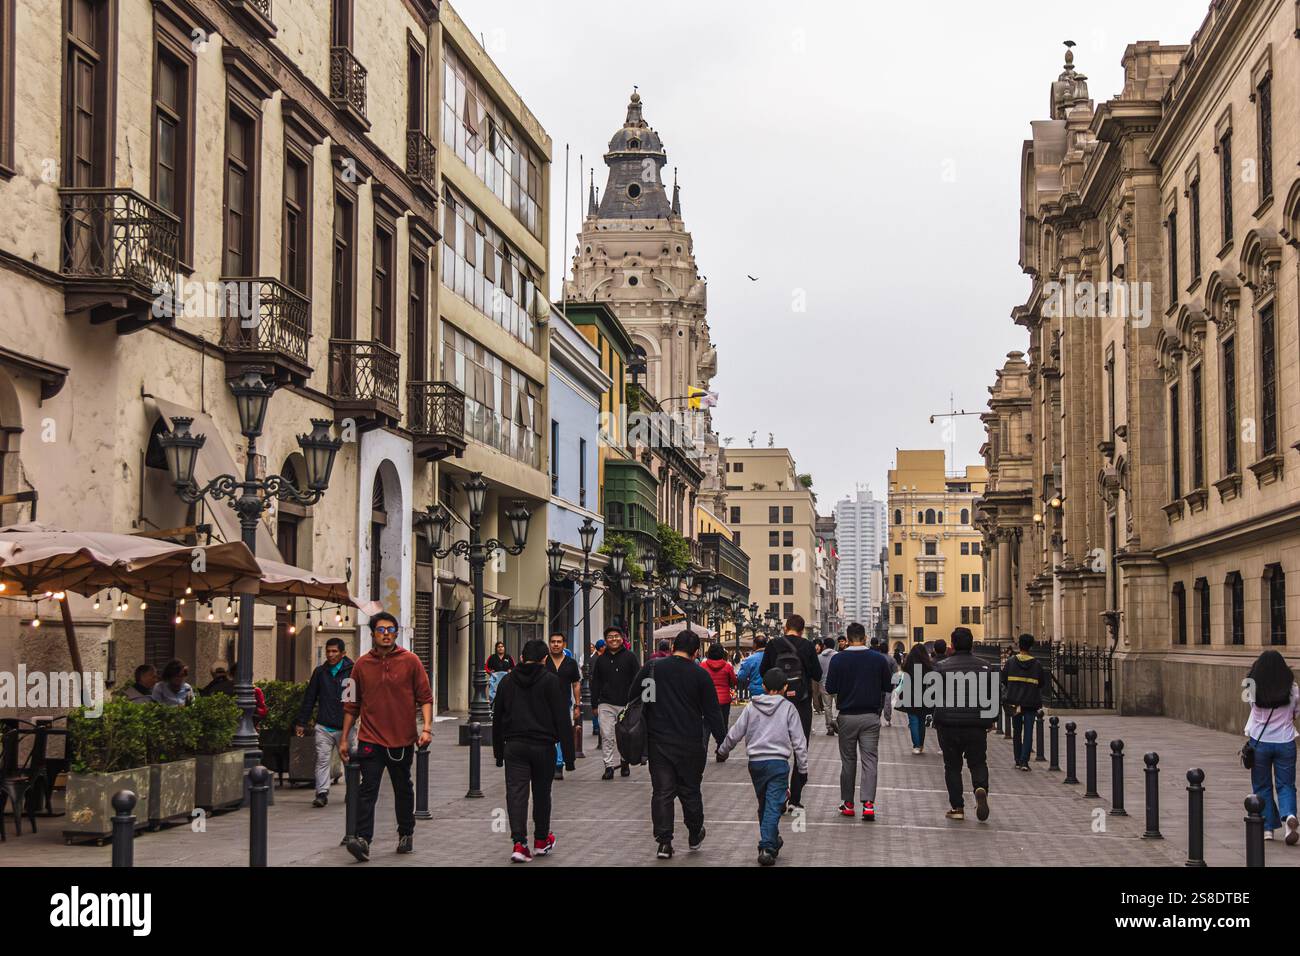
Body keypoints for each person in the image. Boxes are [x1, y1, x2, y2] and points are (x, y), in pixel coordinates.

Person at [340, 612, 433, 862]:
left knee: (403, 788)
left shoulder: (411, 661)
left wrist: (426, 728)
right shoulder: (360, 665)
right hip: (370, 738)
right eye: (381, 630)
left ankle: (406, 833)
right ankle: (363, 839)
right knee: (367, 789)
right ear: (372, 634)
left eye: (391, 630)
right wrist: (344, 738)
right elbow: (350, 704)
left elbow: (425, 697)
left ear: (396, 633)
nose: (386, 634)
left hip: (402, 739)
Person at [631, 629, 726, 859]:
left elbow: (639, 698)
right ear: (696, 652)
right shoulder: (700, 675)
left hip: (659, 741)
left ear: (673, 646)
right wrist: (723, 741)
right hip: (690, 743)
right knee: (690, 790)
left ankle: (664, 842)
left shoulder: (653, 669)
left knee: (662, 792)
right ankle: (694, 833)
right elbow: (713, 712)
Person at [493, 638, 575, 862]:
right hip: (543, 746)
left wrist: (499, 753)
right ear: (544, 659)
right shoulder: (551, 682)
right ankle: (541, 839)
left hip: (515, 746)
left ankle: (519, 844)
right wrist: (569, 757)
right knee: (541, 793)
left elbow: (497, 719)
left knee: (516, 794)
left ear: (520, 658)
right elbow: (562, 719)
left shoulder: (507, 682)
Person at [716, 667, 809, 866]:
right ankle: (767, 846)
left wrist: (722, 751)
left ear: (764, 686)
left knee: (766, 805)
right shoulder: (788, 708)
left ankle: (773, 839)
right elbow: (799, 742)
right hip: (778, 763)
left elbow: (735, 732)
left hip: (756, 764)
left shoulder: (751, 707)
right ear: (785, 687)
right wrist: (802, 768)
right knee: (773, 805)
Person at [824, 622, 894, 821]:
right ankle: (869, 804)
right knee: (870, 760)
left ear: (847, 638)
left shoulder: (838, 659)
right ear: (864, 638)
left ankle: (848, 803)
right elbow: (887, 686)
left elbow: (829, 688)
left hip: (846, 716)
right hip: (870, 717)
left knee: (848, 762)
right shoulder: (877, 659)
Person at [759, 614, 822, 812]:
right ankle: (795, 798)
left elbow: (764, 671)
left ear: (786, 627)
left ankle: (779, 795)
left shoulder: (773, 645)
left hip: (776, 703)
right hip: (801, 704)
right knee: (799, 748)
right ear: (802, 630)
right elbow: (818, 674)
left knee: (778, 749)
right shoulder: (807, 646)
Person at [933, 627, 994, 822]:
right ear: (972, 644)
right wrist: (991, 720)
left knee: (952, 766)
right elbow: (993, 696)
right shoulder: (985, 666)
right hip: (976, 724)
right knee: (977, 762)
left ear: (952, 645)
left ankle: (957, 807)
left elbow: (931, 694)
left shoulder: (941, 667)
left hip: (948, 724)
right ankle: (980, 787)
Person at [1243, 650, 1299, 843]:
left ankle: (1267, 829)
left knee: (1262, 785)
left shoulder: (1251, 687)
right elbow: (1295, 712)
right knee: (1286, 785)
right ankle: (1290, 816)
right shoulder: (1292, 688)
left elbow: (1252, 708)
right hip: (1285, 741)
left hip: (1260, 742)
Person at [295, 637, 355, 807]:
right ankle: (321, 793)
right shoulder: (320, 672)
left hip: (345, 727)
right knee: (322, 759)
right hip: (324, 726)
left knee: (349, 760)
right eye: (328, 651)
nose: (330, 654)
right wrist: (302, 722)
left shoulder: (351, 672)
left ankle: (352, 791)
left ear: (343, 653)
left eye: (334, 651)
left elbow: (353, 702)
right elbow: (310, 698)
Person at [590, 627, 639, 779]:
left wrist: (636, 701)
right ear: (606, 640)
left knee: (624, 736)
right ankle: (609, 766)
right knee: (606, 735)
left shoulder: (630, 657)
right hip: (606, 703)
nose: (614, 639)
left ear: (622, 638)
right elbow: (596, 682)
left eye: (617, 636)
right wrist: (594, 704)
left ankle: (624, 763)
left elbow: (637, 679)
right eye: (610, 637)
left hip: (626, 703)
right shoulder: (600, 660)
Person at [1002, 634, 1046, 770]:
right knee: (1028, 732)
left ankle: (1017, 759)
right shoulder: (1037, 664)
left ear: (1018, 645)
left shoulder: (1010, 662)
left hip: (1015, 702)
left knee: (1016, 731)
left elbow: (1004, 680)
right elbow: (1042, 683)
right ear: (1031, 646)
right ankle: (1024, 761)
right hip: (1030, 702)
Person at [545, 633, 582, 780]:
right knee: (547, 734)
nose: (555, 644)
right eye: (553, 642)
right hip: (544, 704)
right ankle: (548, 762)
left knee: (561, 735)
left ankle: (558, 764)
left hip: (564, 704)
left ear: (564, 644)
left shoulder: (570, 663)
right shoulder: (544, 661)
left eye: (559, 642)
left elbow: (576, 684)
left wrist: (577, 705)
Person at [701, 643, 737, 755]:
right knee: (722, 725)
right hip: (724, 700)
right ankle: (721, 751)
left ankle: (703, 750)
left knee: (705, 726)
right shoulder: (727, 666)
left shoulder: (703, 666)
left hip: (707, 700)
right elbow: (734, 682)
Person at [898, 642, 935, 754]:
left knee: (913, 720)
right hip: (923, 695)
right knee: (921, 721)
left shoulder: (908, 665)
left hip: (910, 695)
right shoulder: (927, 666)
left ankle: (916, 745)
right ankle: (921, 744)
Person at [817, 636, 839, 735]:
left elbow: (817, 671)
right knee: (840, 706)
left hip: (824, 684)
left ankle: (829, 727)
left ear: (824, 646)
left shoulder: (819, 657)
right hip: (837, 684)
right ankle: (838, 723)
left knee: (827, 707)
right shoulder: (838, 656)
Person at [736, 636, 767, 701]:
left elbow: (741, 677)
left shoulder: (749, 660)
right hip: (771, 691)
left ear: (755, 645)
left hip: (756, 691)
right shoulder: (772, 657)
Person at [811, 639, 827, 715]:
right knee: (814, 692)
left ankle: (822, 707)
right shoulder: (811, 655)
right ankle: (816, 708)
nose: (817, 647)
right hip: (813, 676)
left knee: (821, 692)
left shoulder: (823, 655)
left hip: (821, 675)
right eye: (815, 645)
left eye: (818, 645)